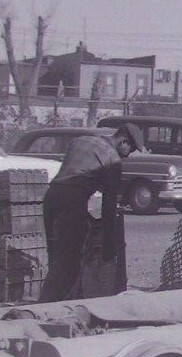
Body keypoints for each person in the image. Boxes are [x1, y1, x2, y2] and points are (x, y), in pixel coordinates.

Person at [40, 124, 141, 302]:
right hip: (73, 200)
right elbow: (108, 204)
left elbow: (75, 172)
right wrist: (109, 246)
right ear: (123, 140)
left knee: (56, 257)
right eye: (129, 149)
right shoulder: (112, 159)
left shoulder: (81, 140)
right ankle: (48, 308)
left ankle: (49, 303)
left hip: (51, 196)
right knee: (69, 263)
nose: (127, 155)